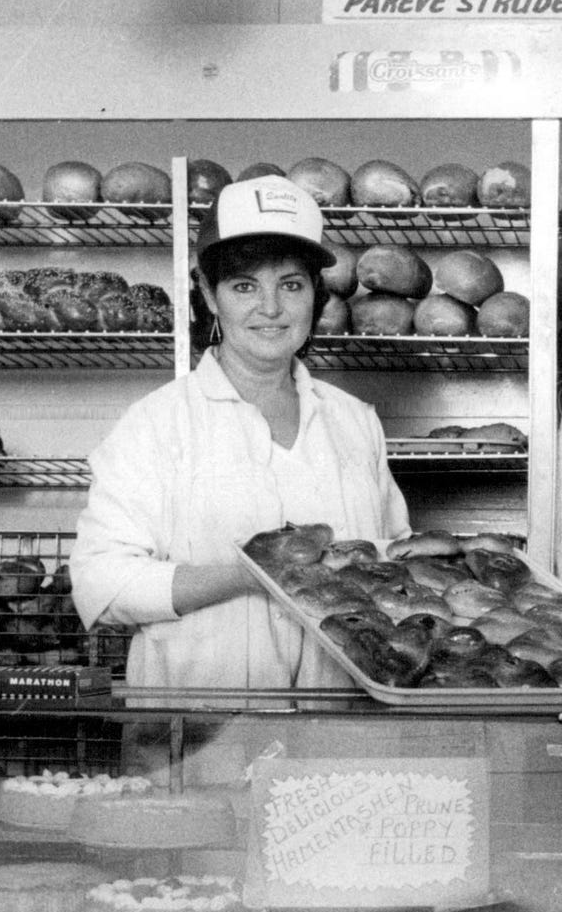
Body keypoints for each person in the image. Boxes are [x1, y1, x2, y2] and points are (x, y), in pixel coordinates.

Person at [72, 175, 408, 688]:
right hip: (199, 734)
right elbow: (102, 585)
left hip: (346, 733)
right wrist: (246, 576)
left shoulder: (354, 421)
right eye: (244, 286)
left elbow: (394, 569)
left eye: (291, 285)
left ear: (316, 294)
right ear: (209, 294)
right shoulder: (156, 425)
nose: (270, 308)